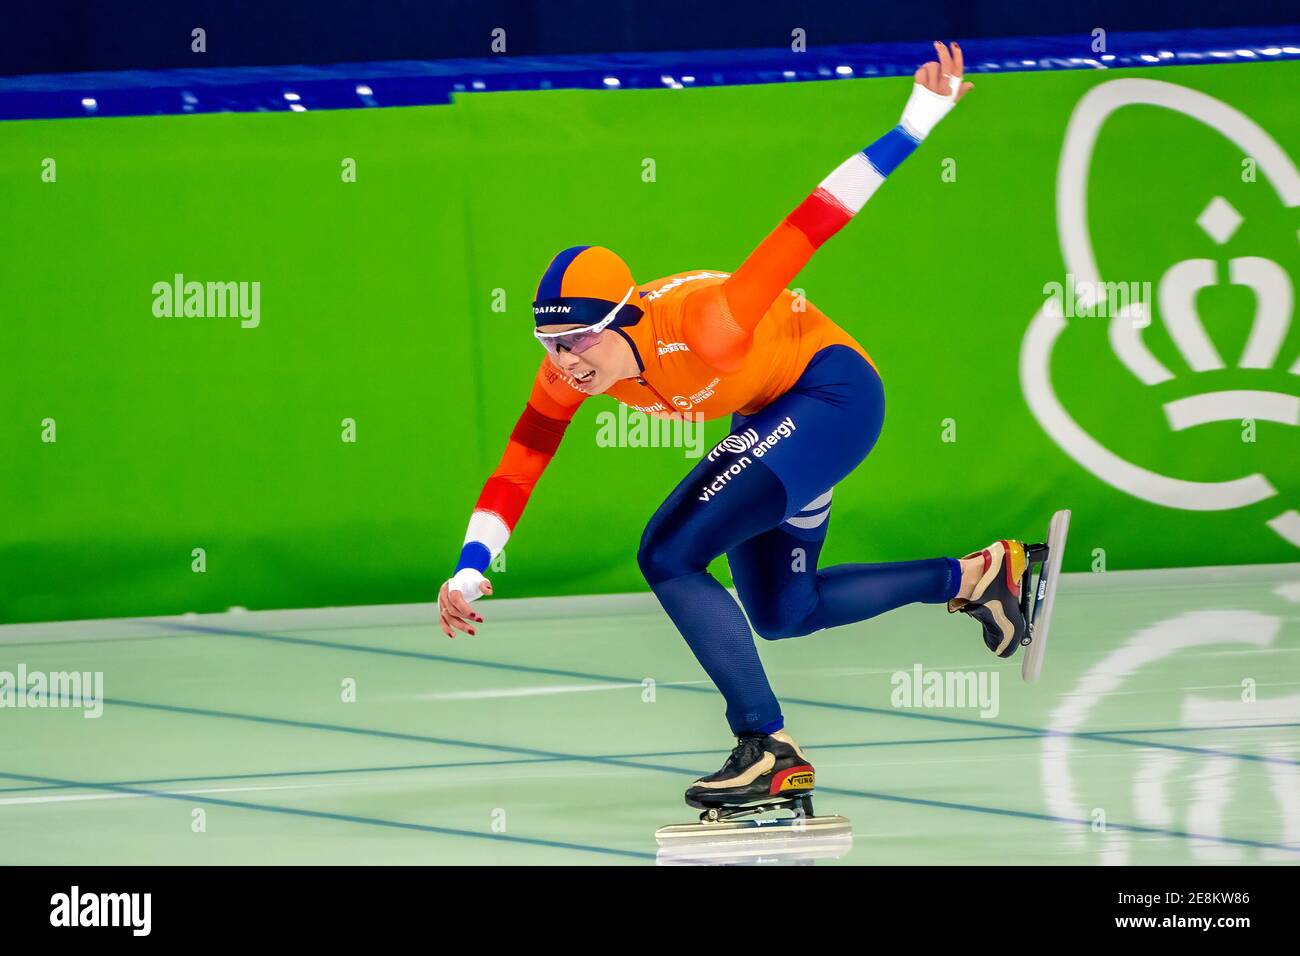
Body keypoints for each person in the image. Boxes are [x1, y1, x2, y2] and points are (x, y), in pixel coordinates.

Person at [438, 42, 1025, 814]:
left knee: (669, 552)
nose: (565, 363)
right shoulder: (564, 373)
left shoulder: (708, 324)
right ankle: (982, 575)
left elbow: (814, 219)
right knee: (786, 613)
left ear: (623, 322)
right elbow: (517, 468)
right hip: (775, 418)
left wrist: (917, 119)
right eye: (548, 345)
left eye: (577, 341)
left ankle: (767, 745)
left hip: (833, 397)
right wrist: (473, 564)